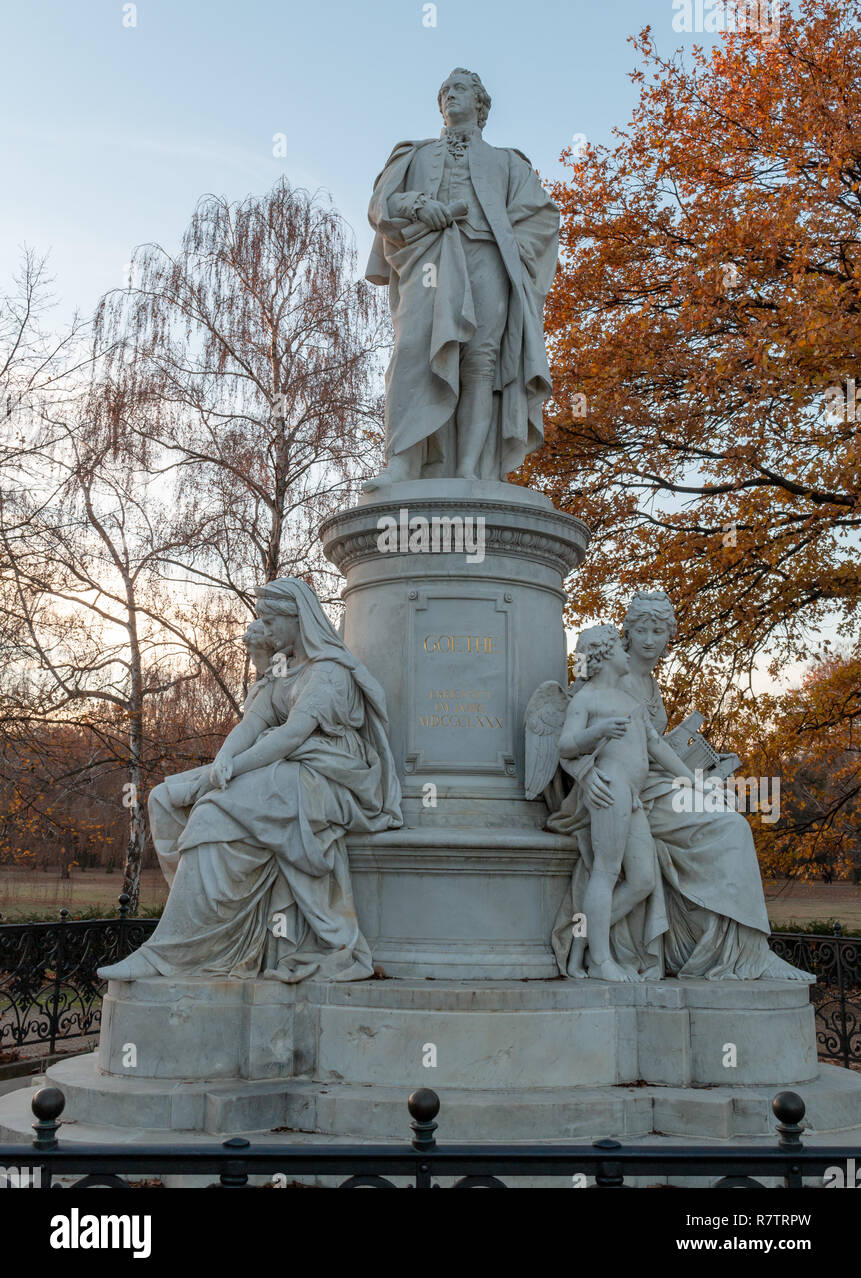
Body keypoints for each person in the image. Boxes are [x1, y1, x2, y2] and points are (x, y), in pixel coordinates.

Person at [99, 579, 402, 984]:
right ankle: (198, 938)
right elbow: (255, 723)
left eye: (272, 620)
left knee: (212, 812)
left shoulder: (329, 671)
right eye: (264, 619)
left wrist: (236, 769)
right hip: (286, 767)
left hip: (328, 779)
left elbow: (292, 736)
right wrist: (223, 760)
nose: (266, 628)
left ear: (300, 619)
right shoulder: (283, 667)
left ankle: (171, 954)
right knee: (166, 798)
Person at [574, 591, 812, 981]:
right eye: (641, 630)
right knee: (731, 829)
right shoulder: (609, 676)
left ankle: (745, 951)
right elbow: (575, 734)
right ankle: (743, 954)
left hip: (660, 783)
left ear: (668, 636)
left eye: (658, 631)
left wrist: (697, 779)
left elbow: (651, 744)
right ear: (626, 634)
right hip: (637, 793)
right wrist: (585, 775)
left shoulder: (648, 682)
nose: (650, 640)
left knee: (731, 818)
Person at [364, 68, 559, 487]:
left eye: (460, 89)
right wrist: (418, 205)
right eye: (445, 91)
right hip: (431, 258)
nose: (450, 95)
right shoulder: (413, 154)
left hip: (487, 257)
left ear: (481, 103)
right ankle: (402, 461)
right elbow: (382, 203)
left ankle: (473, 470)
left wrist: (512, 252)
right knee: (414, 346)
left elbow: (541, 218)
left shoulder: (509, 162)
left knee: (481, 363)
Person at [557, 625, 699, 981]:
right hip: (610, 790)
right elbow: (565, 746)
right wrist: (598, 732)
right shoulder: (587, 698)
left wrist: (690, 779)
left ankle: (583, 945)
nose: (627, 653)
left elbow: (656, 746)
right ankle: (602, 960)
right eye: (621, 649)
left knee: (642, 881)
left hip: (631, 798)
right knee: (605, 872)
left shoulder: (627, 700)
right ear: (605, 657)